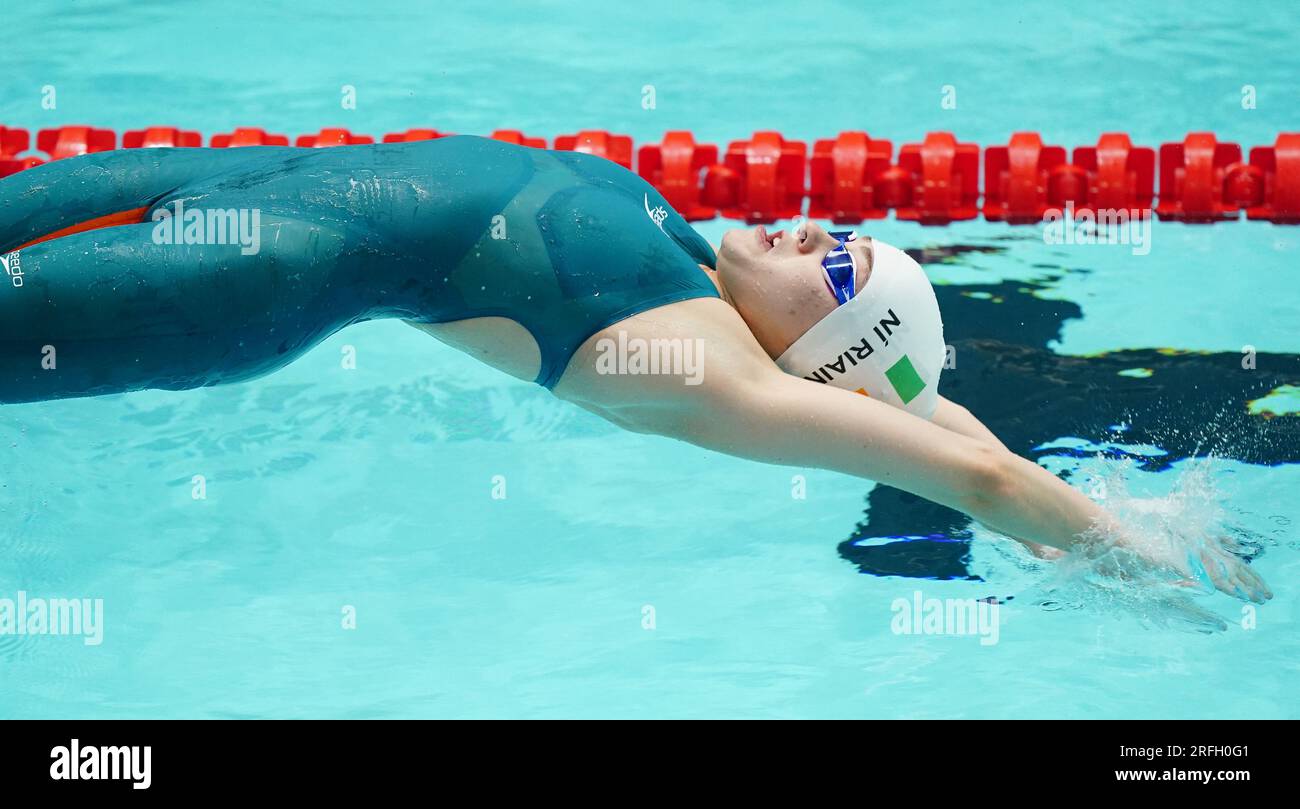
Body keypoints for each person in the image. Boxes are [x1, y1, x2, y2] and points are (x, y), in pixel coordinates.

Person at [0, 135, 1270, 603]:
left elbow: (969, 477)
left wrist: (1132, 551)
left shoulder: (716, 371)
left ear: (819, 348)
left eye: (839, 266)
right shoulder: (697, 264)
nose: (818, 230)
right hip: (230, 177)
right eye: (847, 234)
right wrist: (1029, 472)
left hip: (245, 274)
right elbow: (927, 406)